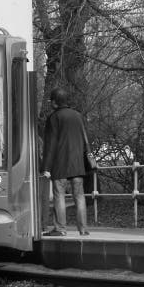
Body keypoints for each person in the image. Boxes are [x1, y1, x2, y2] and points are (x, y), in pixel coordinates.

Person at [42, 87, 90, 236]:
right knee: (79, 197)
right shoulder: (78, 116)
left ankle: (60, 229)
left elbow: (51, 144)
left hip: (60, 164)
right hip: (77, 164)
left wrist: (46, 167)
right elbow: (85, 139)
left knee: (59, 196)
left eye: (51, 101)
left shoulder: (54, 118)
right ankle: (83, 229)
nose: (50, 103)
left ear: (55, 102)